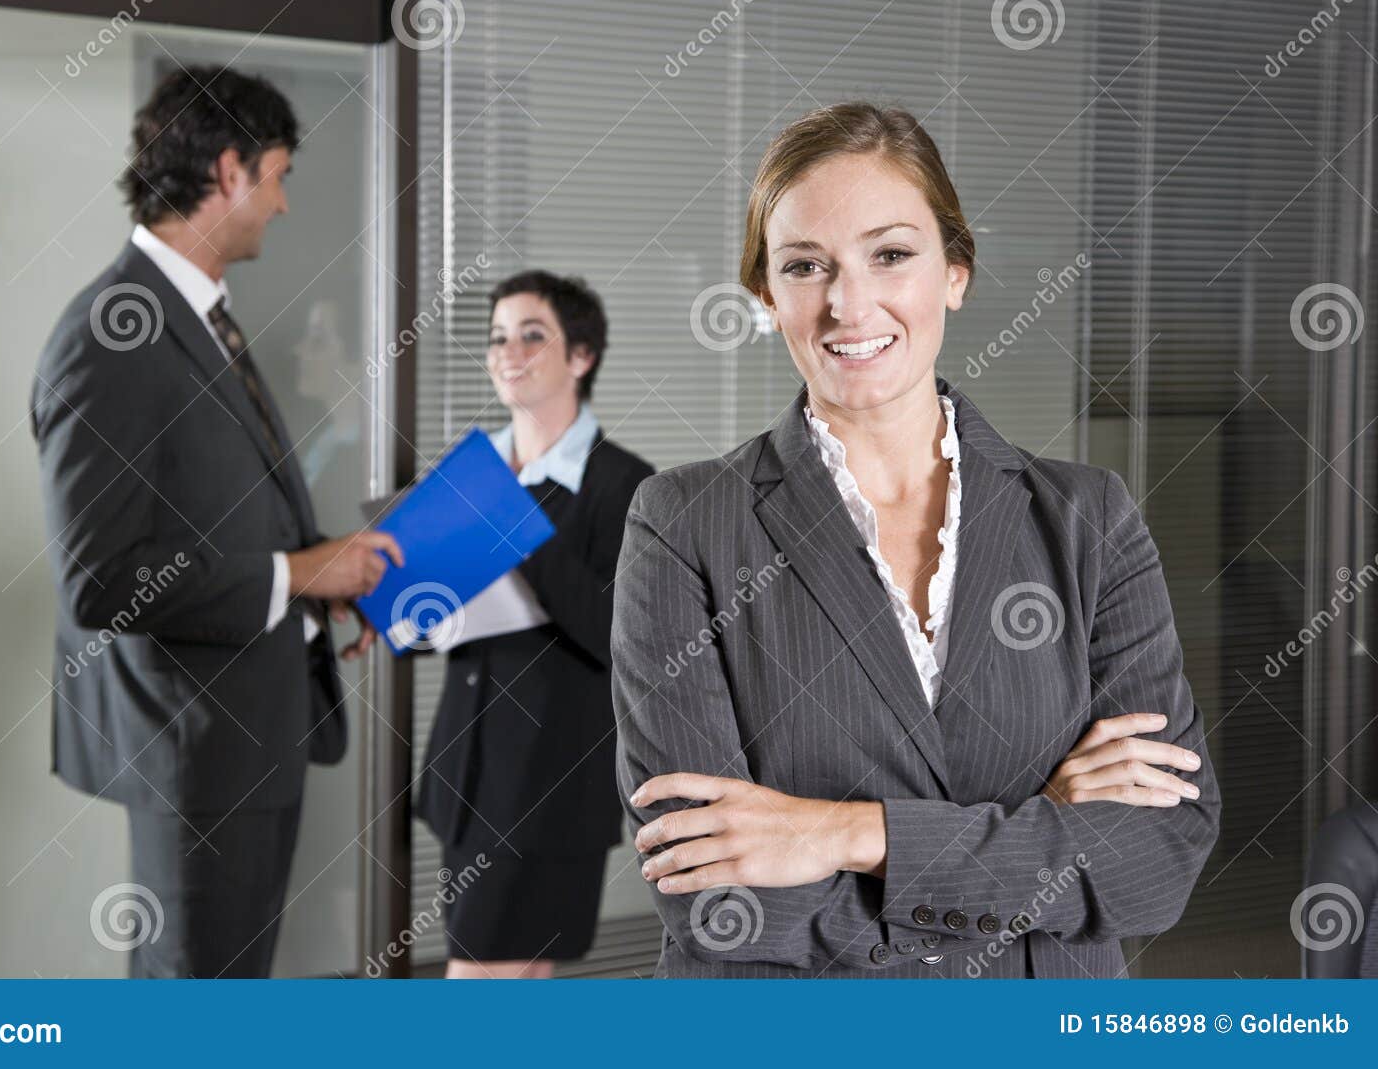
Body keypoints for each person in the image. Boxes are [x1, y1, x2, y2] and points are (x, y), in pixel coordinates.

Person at [611, 102, 1221, 978]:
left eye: (890, 254)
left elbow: (1155, 858)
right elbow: (716, 897)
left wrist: (840, 832)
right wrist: (1036, 828)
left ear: (956, 273)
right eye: (805, 265)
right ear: (766, 296)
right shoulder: (682, 525)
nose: (848, 303)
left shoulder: (1089, 518)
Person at [31, 65, 400, 977]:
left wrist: (312, 600)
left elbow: (222, 514)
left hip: (241, 734)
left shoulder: (195, 319)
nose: (280, 204)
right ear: (229, 171)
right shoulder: (111, 334)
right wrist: (296, 574)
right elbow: (101, 580)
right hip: (195, 750)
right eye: (276, 176)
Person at [417, 270, 654, 977]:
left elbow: (618, 633)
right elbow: (440, 615)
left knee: (477, 983)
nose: (507, 352)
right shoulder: (474, 471)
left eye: (531, 335)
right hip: (466, 777)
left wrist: (512, 516)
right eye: (496, 337)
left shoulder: (627, 484)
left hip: (549, 789)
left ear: (580, 356)